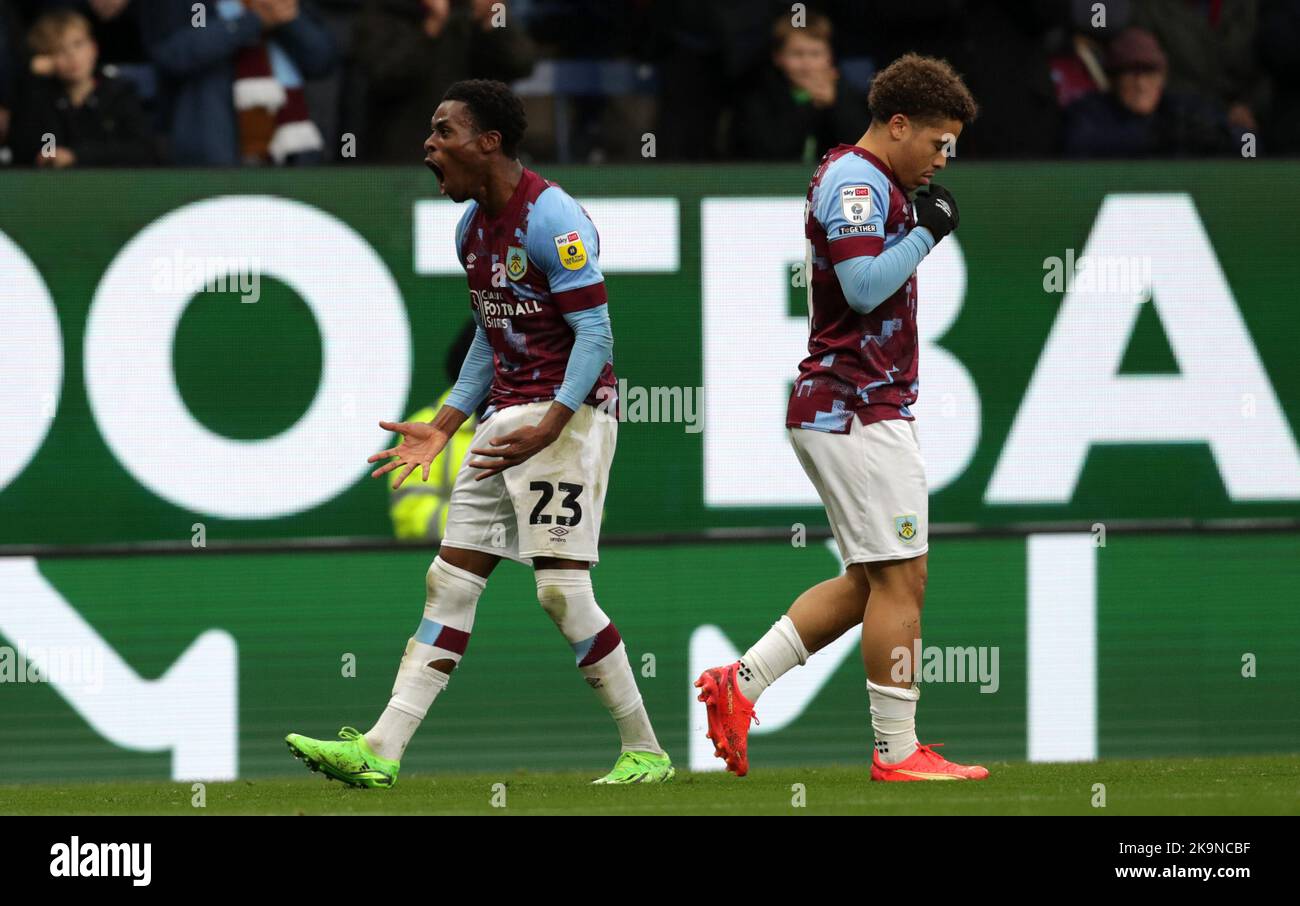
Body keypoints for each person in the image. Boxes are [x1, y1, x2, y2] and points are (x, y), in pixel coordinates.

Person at [286, 79, 673, 787]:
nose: (429, 145)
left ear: (488, 141)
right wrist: (444, 425)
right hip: (506, 420)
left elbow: (595, 331)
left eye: (443, 131)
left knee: (560, 593)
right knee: (449, 581)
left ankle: (644, 749)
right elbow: (492, 340)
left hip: (569, 418)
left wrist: (552, 424)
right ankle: (381, 748)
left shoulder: (553, 217)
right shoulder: (470, 229)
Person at [695, 54, 989, 782]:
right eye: (937, 141)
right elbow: (860, 287)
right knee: (903, 580)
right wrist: (926, 232)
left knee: (871, 579)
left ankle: (741, 684)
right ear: (897, 124)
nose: (943, 158)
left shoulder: (862, 177)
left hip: (851, 403)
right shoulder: (858, 182)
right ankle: (897, 751)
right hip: (853, 404)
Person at [138, 0, 338, 165]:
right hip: (213, 152)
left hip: (289, 155)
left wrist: (290, 19)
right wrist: (251, 22)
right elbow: (174, 55)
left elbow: (322, 61)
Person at [352, 0, 536, 164]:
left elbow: (521, 64)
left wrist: (492, 19)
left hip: (477, 154)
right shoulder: (385, 11)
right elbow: (384, 75)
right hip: (406, 154)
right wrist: (433, 25)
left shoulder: (475, 11)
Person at [1064, 28, 1238, 158]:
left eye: (1149, 73)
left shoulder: (1182, 109)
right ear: (1113, 80)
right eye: (1131, 73)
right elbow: (1077, 146)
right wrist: (1152, 137)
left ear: (1162, 78)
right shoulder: (1089, 113)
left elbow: (1248, 144)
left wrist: (1222, 135)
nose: (1141, 84)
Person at [10, 8, 154, 166]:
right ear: (47, 60)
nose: (72, 56)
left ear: (93, 48)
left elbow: (142, 151)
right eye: (59, 50)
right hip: (56, 188)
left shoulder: (119, 93)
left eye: (78, 44)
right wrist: (33, 78)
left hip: (112, 187)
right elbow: (36, 149)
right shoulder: (43, 98)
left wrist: (76, 156)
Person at [730, 11, 869, 162]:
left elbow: (862, 152)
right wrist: (811, 106)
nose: (806, 64)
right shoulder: (758, 96)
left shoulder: (847, 93)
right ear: (777, 57)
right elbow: (770, 152)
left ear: (829, 56)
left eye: (815, 54)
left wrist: (836, 105)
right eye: (797, 54)